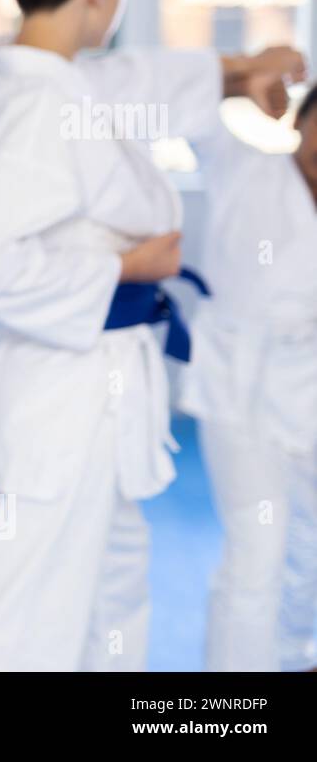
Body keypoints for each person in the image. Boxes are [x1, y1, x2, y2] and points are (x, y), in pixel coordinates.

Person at [0, 0, 300, 671]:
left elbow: (140, 86)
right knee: (23, 601)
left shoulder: (54, 79)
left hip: (95, 380)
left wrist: (242, 70)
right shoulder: (42, 104)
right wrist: (127, 263)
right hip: (67, 393)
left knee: (110, 586)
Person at [181, 72, 316, 671]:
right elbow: (181, 105)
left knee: (309, 555)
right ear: (299, 121)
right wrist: (239, 80)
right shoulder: (244, 167)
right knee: (256, 552)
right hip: (241, 388)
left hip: (309, 390)